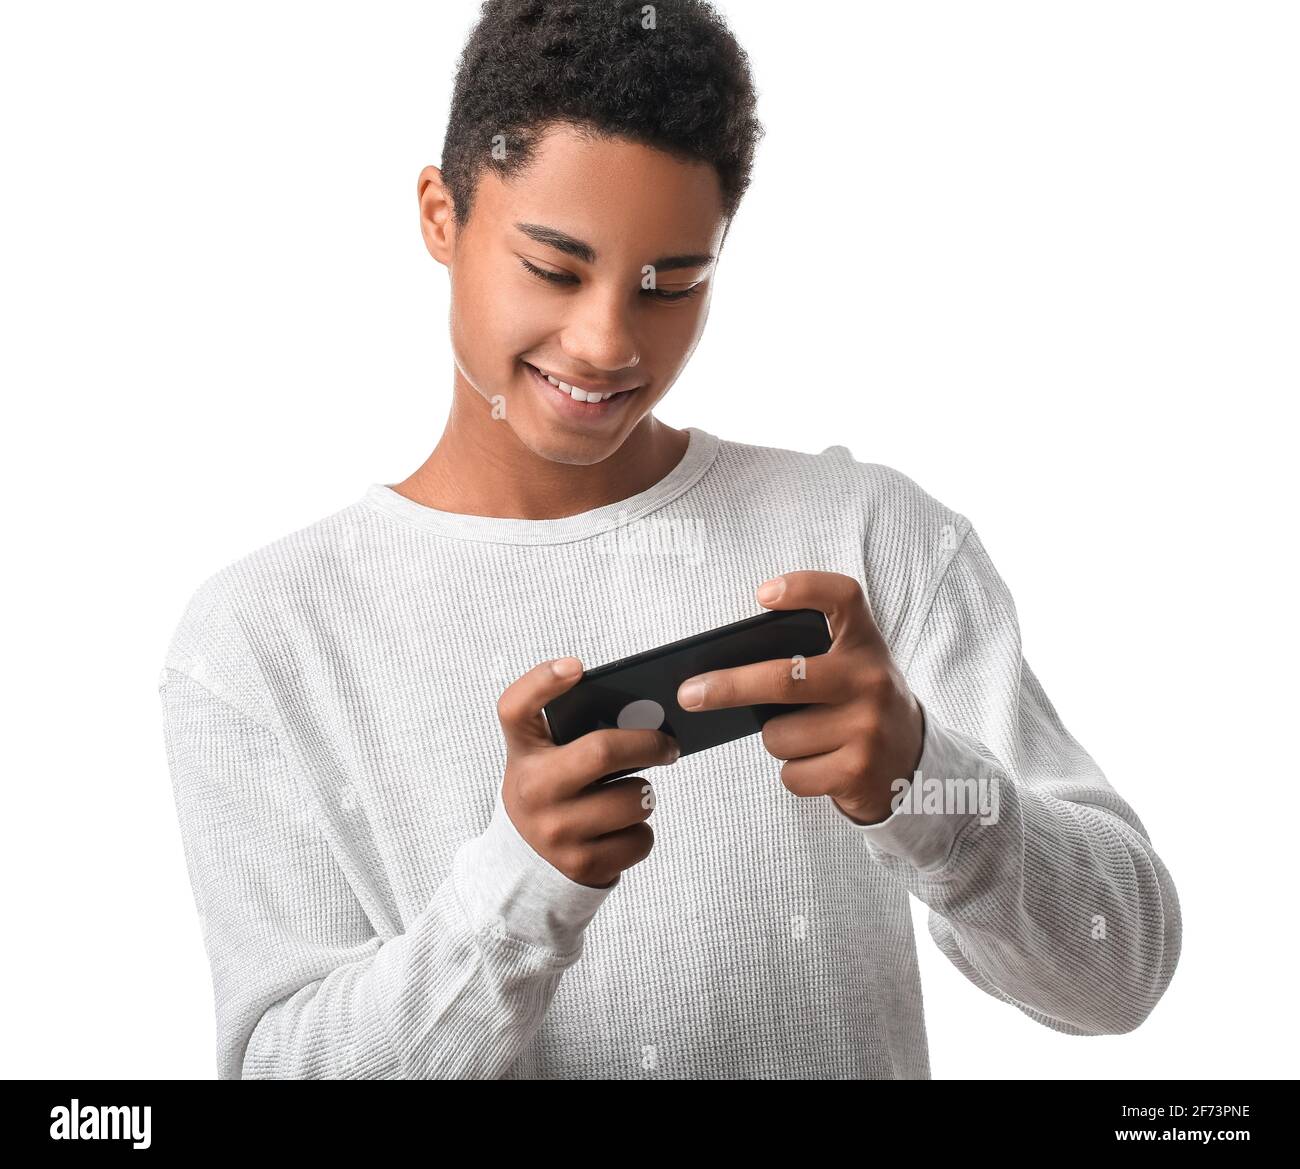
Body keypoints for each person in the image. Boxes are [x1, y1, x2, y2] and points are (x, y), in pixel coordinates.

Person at [158, 0, 1181, 1080]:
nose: (605, 340)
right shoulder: (260, 638)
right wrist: (514, 891)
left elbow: (1123, 972)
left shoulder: (869, 539)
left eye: (671, 285)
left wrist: (927, 784)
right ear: (439, 214)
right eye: (554, 268)